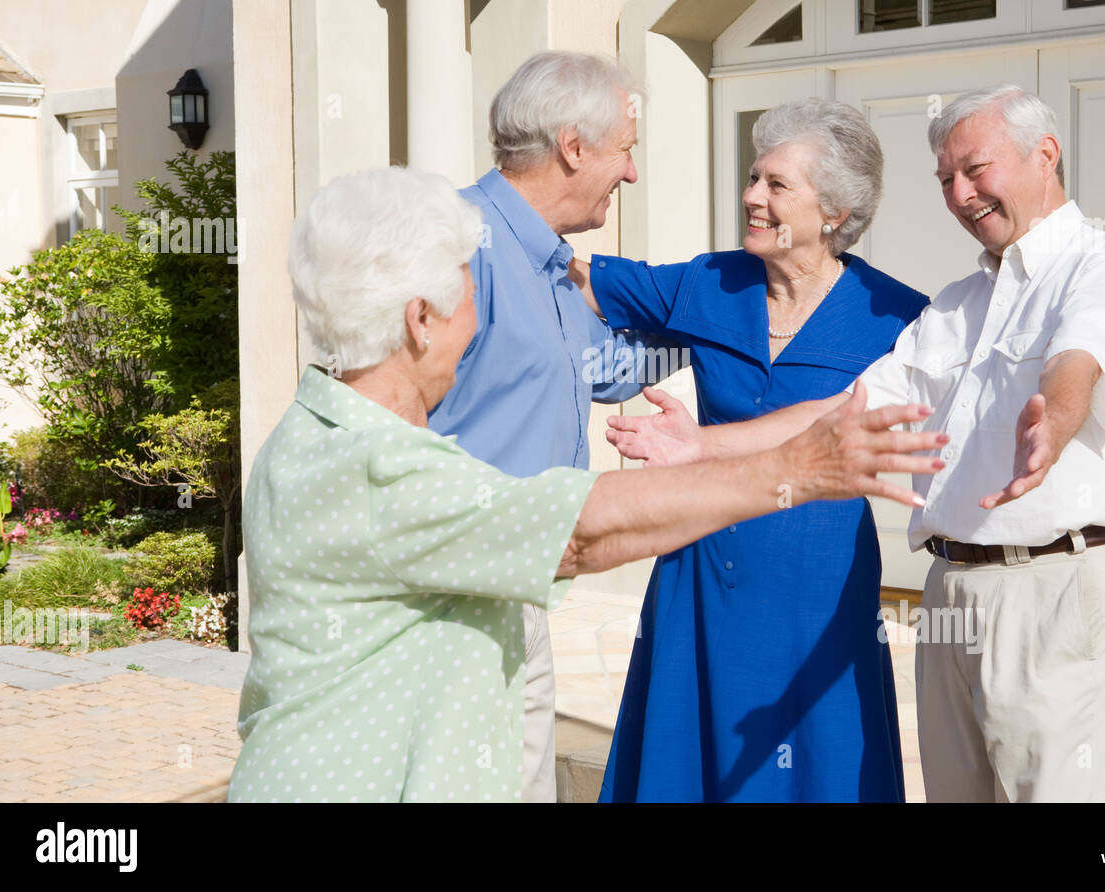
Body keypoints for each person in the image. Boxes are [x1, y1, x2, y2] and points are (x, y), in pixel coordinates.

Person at [226, 166, 946, 802]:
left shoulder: (320, 436)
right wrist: (794, 467)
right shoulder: (373, 468)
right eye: (471, 294)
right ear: (420, 321)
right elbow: (583, 529)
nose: (481, 319)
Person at [607, 84, 1105, 802]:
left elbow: (1078, 359)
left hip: (1057, 580)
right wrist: (701, 448)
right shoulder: (957, 307)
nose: (962, 193)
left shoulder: (1104, 264)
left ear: (1045, 156)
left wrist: (1055, 419)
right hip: (953, 585)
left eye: (976, 169)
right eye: (945, 180)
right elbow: (843, 409)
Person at [569, 98, 931, 801]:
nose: (751, 197)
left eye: (775, 185)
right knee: (691, 758)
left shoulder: (897, 315)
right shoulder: (712, 281)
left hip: (819, 584)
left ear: (834, 211)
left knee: (817, 762)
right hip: (703, 569)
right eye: (753, 178)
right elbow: (584, 282)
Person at [425, 51, 683, 802]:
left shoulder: (549, 262)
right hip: (452, 599)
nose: (630, 175)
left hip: (518, 590)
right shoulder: (455, 243)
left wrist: (713, 328)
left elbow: (603, 369)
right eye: (624, 152)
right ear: (573, 147)